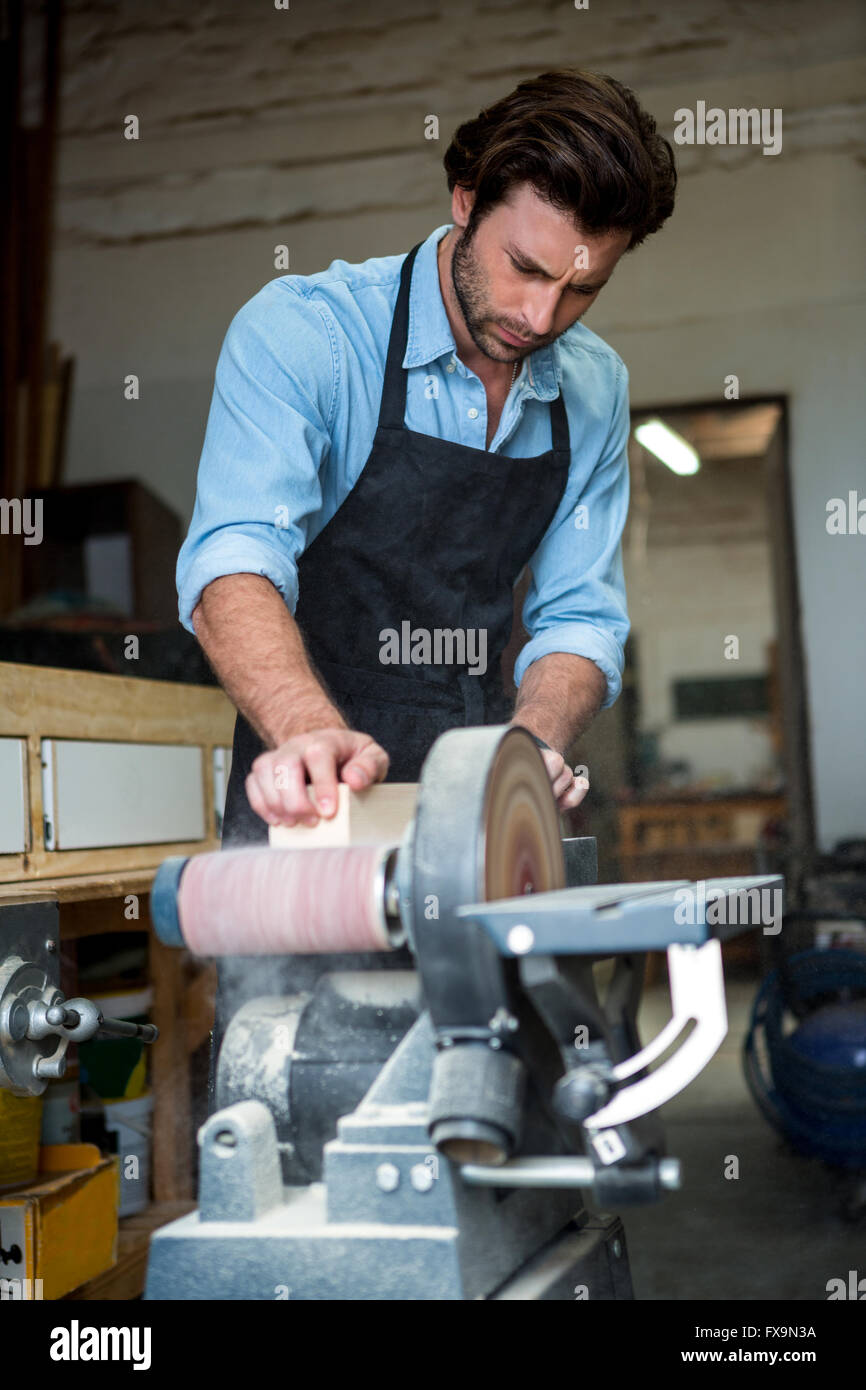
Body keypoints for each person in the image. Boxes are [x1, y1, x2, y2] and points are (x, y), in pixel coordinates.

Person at [176, 69, 676, 1090]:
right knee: (298, 1108)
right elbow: (233, 560)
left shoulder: (592, 388)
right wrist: (304, 733)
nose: (540, 316)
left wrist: (530, 750)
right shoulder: (308, 335)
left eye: (581, 288)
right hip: (310, 787)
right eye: (522, 269)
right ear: (463, 200)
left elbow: (580, 615)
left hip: (478, 810)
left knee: (497, 1108)